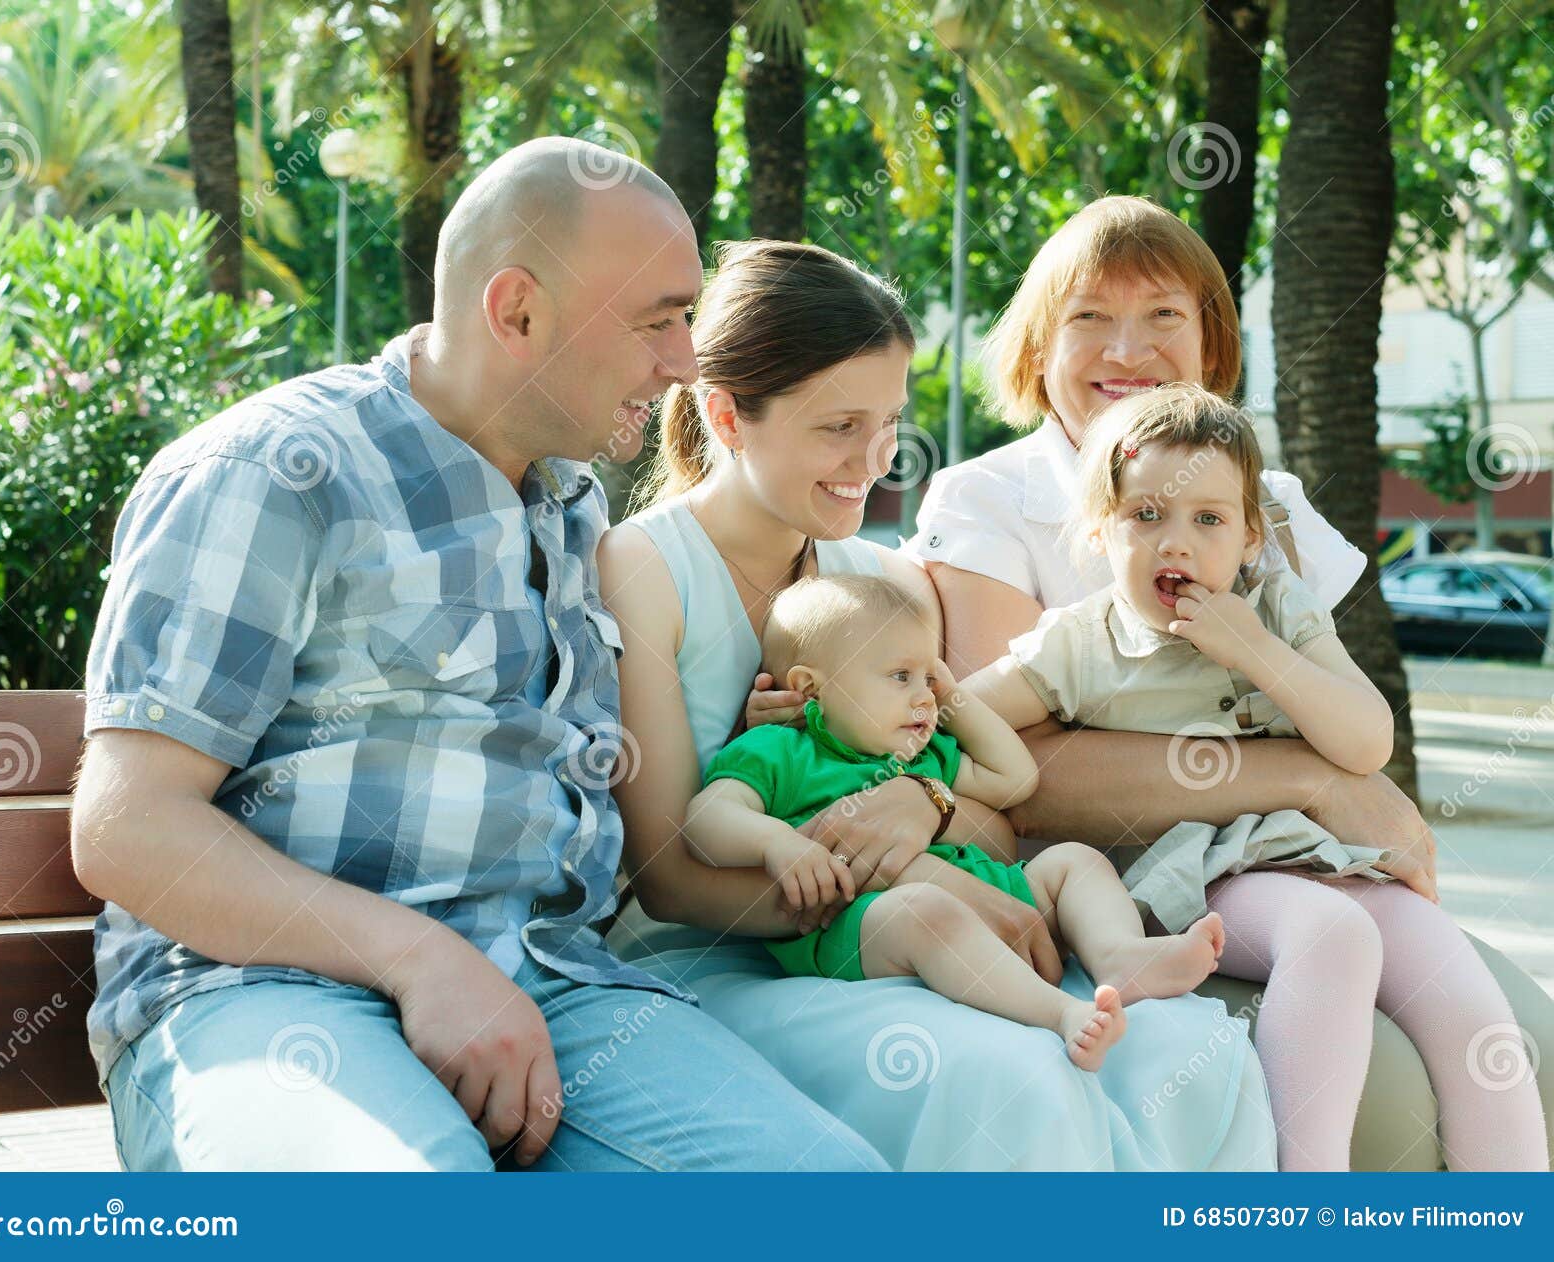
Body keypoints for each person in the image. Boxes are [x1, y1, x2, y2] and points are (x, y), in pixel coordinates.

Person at [69, 139, 886, 1173]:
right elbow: (128, 827)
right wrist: (420, 961)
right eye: (658, 320)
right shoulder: (276, 471)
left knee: (831, 1195)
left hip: (551, 984)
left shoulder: (572, 502)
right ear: (517, 313)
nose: (686, 359)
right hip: (259, 989)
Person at [601, 237, 1276, 1171]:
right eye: (840, 426)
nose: (874, 460)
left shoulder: (884, 581)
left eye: (888, 424)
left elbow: (996, 815)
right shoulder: (644, 569)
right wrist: (900, 887)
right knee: (1012, 1077)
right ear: (727, 415)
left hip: (930, 930)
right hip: (732, 955)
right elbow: (672, 877)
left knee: (1179, 1052)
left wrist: (929, 809)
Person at [909, 193, 1554, 1170]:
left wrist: (1330, 767)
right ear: (1039, 346)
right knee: (1360, 1023)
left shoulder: (1266, 514)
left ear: (1210, 344)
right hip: (1124, 880)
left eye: (1164, 314)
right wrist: (1315, 780)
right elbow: (1006, 755)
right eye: (1087, 316)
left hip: (1295, 857)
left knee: (1492, 1030)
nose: (1127, 346)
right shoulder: (1002, 516)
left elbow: (1339, 717)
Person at [687, 572, 1228, 1072]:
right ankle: (1060, 1013)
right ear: (811, 688)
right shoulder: (779, 749)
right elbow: (705, 818)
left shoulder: (924, 754)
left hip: (984, 893)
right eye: (901, 675)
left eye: (929, 676)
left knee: (1072, 862)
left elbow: (1015, 779)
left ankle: (1118, 956)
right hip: (865, 923)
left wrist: (953, 696)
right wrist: (777, 845)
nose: (923, 694)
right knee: (923, 912)